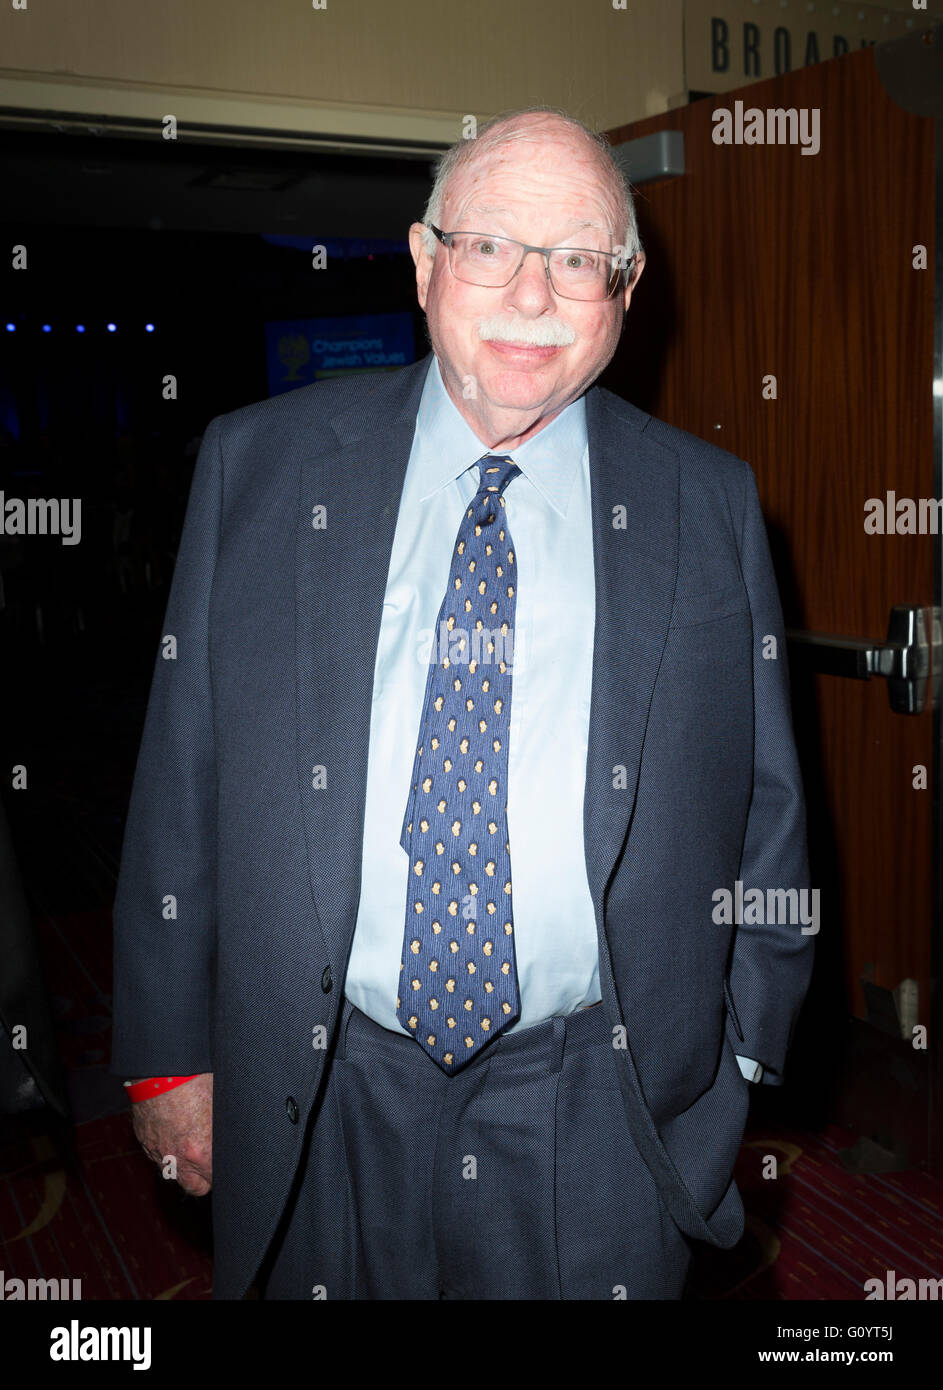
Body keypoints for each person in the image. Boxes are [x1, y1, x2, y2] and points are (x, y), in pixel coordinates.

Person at [110, 105, 814, 1301]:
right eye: (491, 245)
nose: (533, 296)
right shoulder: (263, 467)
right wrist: (166, 1058)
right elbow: (184, 775)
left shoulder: (708, 501)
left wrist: (743, 1047)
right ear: (427, 261)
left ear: (624, 292)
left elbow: (765, 801)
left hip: (602, 1097)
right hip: (321, 1082)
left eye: (578, 257)